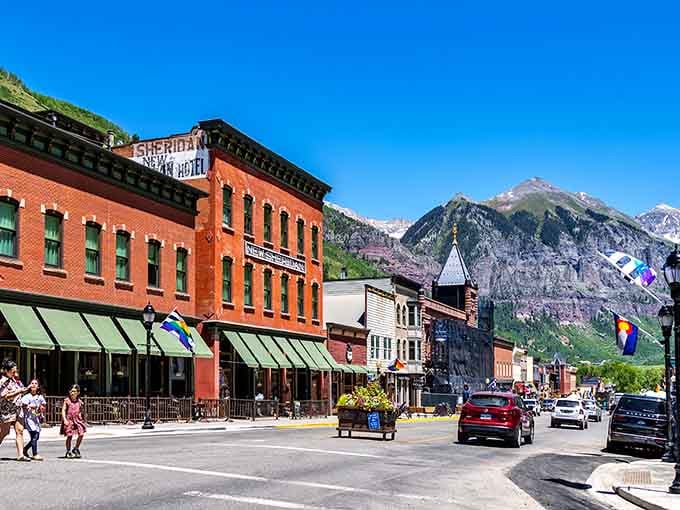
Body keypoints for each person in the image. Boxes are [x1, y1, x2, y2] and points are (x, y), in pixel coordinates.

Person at [0, 360, 31, 461]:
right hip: (7, 410)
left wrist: (27, 389)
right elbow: (5, 396)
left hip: (18, 408)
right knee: (4, 432)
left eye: (15, 371)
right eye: (12, 371)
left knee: (20, 431)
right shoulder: (2, 381)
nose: (15, 373)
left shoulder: (14, 380)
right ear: (6, 371)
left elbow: (21, 390)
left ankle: (20, 455)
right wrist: (18, 391)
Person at [21, 379, 45, 461]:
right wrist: (28, 406)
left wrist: (41, 409)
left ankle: (25, 449)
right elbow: (23, 405)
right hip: (29, 419)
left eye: (36, 383)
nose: (34, 385)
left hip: (36, 419)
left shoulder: (40, 397)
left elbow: (43, 405)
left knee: (36, 437)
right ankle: (35, 454)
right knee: (34, 435)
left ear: (38, 386)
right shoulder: (27, 397)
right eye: (32, 383)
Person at [61, 384, 87, 459]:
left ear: (78, 393)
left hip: (77, 420)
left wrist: (80, 416)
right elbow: (63, 410)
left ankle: (76, 448)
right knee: (69, 436)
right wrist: (65, 420)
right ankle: (68, 451)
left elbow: (81, 410)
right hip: (69, 420)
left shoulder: (79, 401)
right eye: (71, 391)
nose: (72, 393)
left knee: (81, 434)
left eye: (74, 391)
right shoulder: (67, 400)